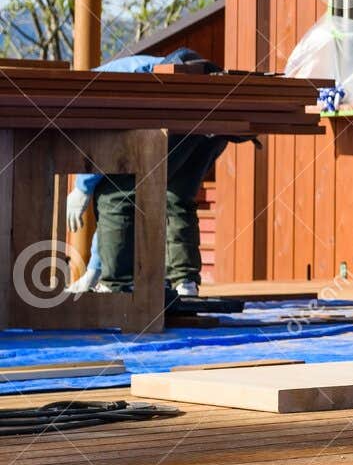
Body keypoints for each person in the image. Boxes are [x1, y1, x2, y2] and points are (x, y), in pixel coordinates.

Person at [64, 49, 231, 298]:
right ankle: (183, 283)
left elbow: (101, 154)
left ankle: (116, 289)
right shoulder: (96, 85)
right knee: (175, 197)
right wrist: (94, 270)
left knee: (115, 195)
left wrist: (82, 187)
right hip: (218, 118)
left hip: (177, 110)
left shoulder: (84, 96)